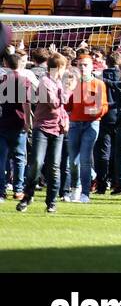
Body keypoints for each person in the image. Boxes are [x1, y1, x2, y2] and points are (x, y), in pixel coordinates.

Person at [15, 52, 68, 215]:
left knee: (54, 166)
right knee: (37, 162)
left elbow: (62, 108)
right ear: (59, 67)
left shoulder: (59, 82)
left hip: (58, 128)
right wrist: (69, 91)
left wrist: (65, 118)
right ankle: (28, 196)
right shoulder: (45, 82)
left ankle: (51, 202)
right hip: (43, 128)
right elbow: (54, 104)